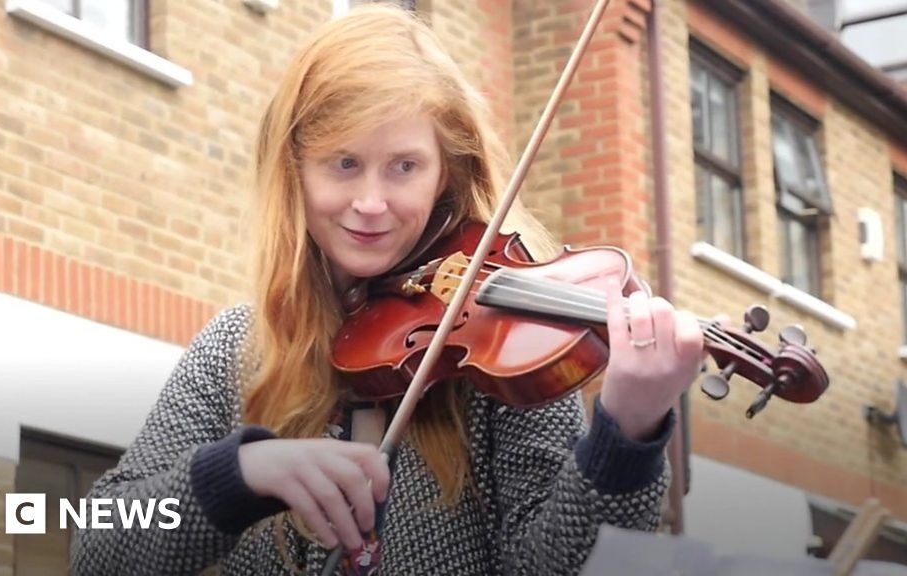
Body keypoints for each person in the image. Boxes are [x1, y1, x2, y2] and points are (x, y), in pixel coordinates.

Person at [70, 5, 704, 575]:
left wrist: (627, 426)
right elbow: (99, 547)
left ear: (446, 177)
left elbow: (561, 565)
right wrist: (238, 475)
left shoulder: (502, 344)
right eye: (343, 164)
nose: (370, 203)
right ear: (294, 172)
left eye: (404, 166)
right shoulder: (236, 350)